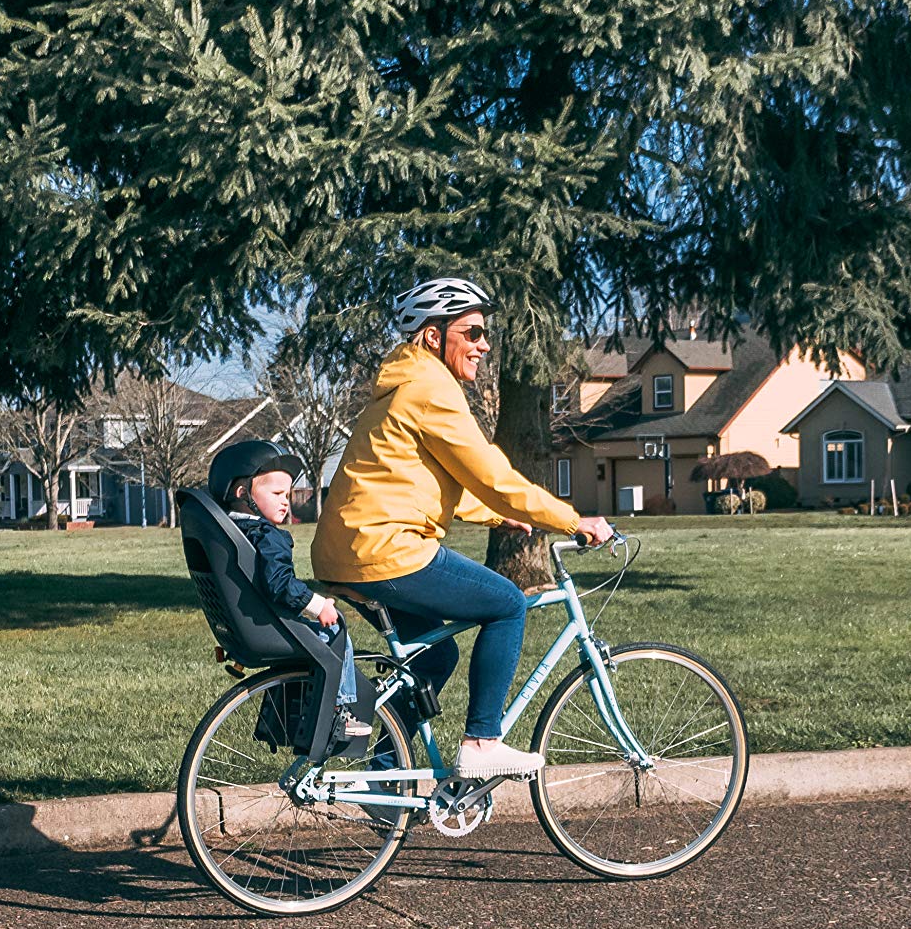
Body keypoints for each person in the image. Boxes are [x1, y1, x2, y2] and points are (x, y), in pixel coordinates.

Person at [311, 276, 614, 778]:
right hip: (387, 549)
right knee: (507, 603)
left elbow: (428, 480)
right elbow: (492, 476)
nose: (483, 344)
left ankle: (384, 775)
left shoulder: (402, 386)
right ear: (434, 336)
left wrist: (501, 514)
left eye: (483, 334)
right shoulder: (432, 389)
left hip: (349, 551)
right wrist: (572, 520)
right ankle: (482, 742)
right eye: (471, 332)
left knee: (434, 656)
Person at [209, 438, 365, 742]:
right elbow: (279, 583)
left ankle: (279, 723)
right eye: (277, 493)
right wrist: (318, 605)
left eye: (288, 494)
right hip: (272, 627)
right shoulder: (267, 535)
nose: (286, 501)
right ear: (243, 494)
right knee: (336, 632)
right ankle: (340, 713)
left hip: (252, 625)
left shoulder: (228, 531)